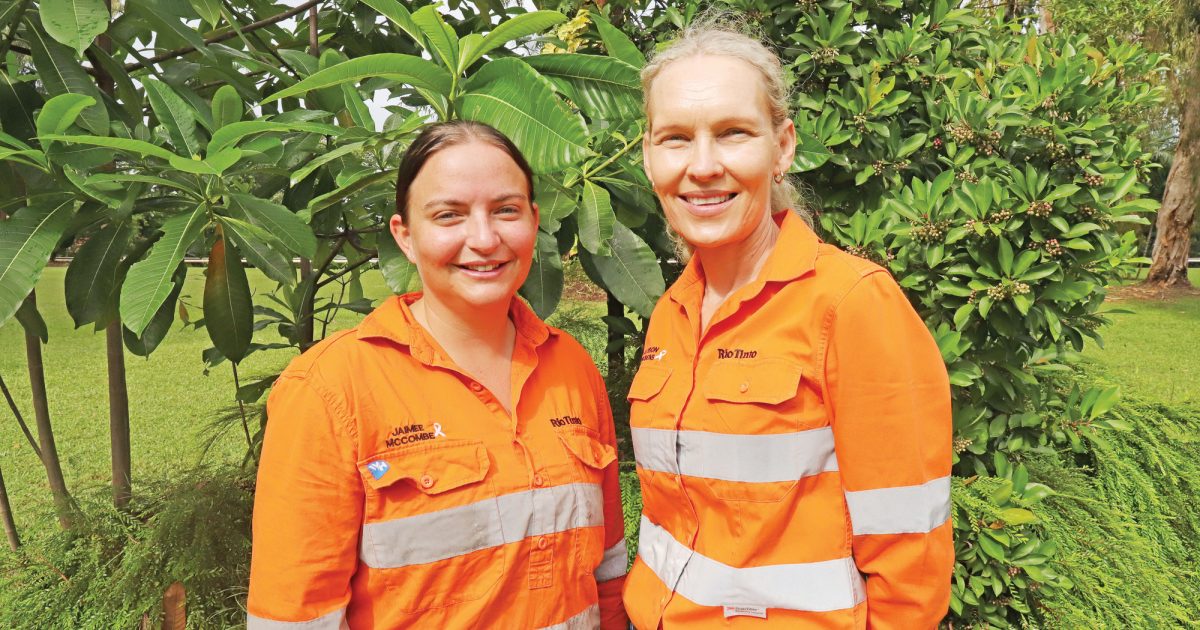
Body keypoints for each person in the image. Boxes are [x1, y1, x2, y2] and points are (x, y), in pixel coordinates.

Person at [622, 21, 954, 629]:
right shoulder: (672, 311)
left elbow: (911, 552)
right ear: (648, 157)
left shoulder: (851, 303)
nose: (703, 166)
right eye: (675, 138)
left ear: (782, 147)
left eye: (733, 133)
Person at [248, 121, 627, 629]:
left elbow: (607, 571)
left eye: (506, 210)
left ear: (535, 221)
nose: (484, 239)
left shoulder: (571, 367)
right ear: (405, 236)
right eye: (449, 215)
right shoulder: (330, 389)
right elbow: (296, 614)